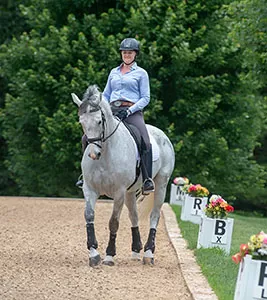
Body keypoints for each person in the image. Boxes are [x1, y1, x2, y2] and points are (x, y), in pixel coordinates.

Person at [76, 38, 155, 195]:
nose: (127, 55)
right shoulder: (114, 72)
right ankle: (85, 175)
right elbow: (106, 94)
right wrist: (100, 106)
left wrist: (130, 110)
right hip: (111, 110)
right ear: (121, 54)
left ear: (135, 55)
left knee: (145, 141)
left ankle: (147, 179)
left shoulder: (141, 73)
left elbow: (145, 98)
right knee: (87, 138)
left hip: (131, 112)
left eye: (130, 53)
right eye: (124, 52)